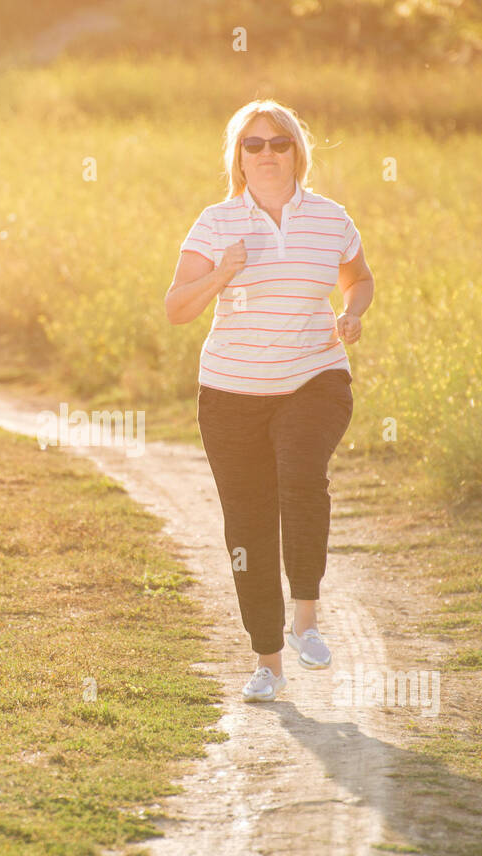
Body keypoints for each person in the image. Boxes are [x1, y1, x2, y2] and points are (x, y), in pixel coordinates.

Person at [164, 98, 374, 702]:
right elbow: (177, 308)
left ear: (296, 151)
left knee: (302, 475)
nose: (266, 155)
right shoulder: (216, 224)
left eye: (277, 142)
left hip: (315, 377)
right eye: (252, 145)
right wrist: (221, 274)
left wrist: (352, 311)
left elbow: (358, 277)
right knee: (247, 522)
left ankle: (305, 619)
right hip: (231, 393)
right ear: (239, 156)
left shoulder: (330, 218)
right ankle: (268, 662)